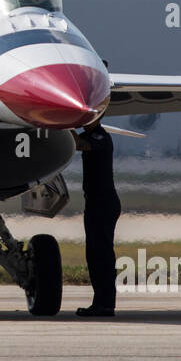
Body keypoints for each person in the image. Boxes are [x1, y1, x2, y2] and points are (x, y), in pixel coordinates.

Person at [74, 113, 121, 317]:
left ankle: (105, 303)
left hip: (103, 203)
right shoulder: (91, 136)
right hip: (95, 202)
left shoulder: (100, 137)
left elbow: (80, 145)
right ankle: (101, 302)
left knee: (101, 255)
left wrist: (61, 123)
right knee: (95, 254)